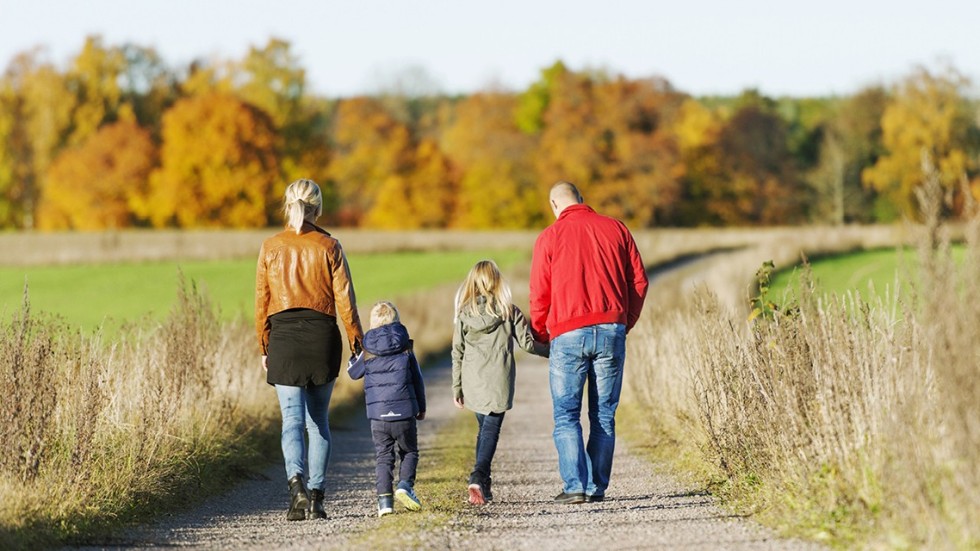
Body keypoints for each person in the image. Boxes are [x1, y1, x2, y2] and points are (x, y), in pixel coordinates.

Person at [529, 180, 648, 505]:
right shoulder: (616, 229)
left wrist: (541, 333)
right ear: (582, 199)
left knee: (567, 415)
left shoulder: (549, 237)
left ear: (555, 205)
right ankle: (596, 487)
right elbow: (639, 280)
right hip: (611, 328)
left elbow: (540, 293)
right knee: (604, 415)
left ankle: (575, 485)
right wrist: (624, 321)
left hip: (567, 333)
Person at [255, 179, 364, 521]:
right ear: (319, 208)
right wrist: (356, 341)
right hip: (321, 336)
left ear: (287, 205)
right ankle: (317, 498)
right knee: (318, 423)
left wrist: (264, 343)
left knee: (291, 420)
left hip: (284, 338)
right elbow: (345, 299)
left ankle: (295, 487)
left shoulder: (270, 247)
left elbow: (262, 301)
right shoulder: (330, 245)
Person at [451, 260, 548, 505]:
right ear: (496, 282)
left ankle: (485, 485)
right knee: (490, 432)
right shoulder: (509, 311)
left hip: (473, 381)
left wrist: (457, 387)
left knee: (484, 431)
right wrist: (553, 350)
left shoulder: (464, 314)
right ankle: (477, 476)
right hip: (498, 379)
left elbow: (457, 351)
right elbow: (527, 344)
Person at [347, 300, 426, 517]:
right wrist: (421, 407)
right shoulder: (405, 347)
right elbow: (417, 379)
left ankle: (385, 503)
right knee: (409, 451)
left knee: (384, 456)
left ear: (373, 323)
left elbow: (353, 373)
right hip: (405, 411)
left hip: (378, 416)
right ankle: (405, 485)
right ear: (396, 321)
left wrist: (352, 356)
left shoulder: (367, 349)